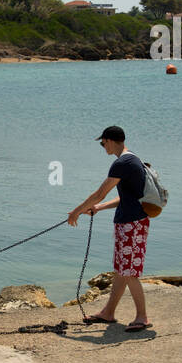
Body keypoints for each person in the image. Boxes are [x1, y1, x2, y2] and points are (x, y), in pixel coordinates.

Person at [67, 125, 153, 332]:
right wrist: (98, 208)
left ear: (110, 140)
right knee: (122, 271)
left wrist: (76, 211)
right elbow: (125, 197)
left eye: (102, 142)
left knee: (130, 272)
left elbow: (100, 193)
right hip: (129, 222)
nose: (102, 146)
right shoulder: (132, 160)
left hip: (132, 223)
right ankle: (108, 313)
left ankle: (142, 317)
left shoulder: (122, 162)